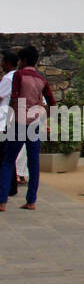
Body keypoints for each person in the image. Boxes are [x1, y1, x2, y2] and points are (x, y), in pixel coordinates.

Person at [0, 45, 54, 210]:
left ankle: (2, 202)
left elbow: (14, 98)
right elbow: (51, 103)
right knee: (34, 163)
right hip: (35, 123)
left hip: (19, 122)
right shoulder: (41, 79)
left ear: (22, 60)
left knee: (8, 161)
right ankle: (31, 201)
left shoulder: (18, 75)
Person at [0, 51, 19, 197]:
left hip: (4, 119)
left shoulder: (8, 78)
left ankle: (8, 187)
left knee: (5, 156)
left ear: (8, 63)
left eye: (3, 61)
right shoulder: (19, 77)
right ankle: (11, 187)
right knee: (9, 154)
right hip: (13, 119)